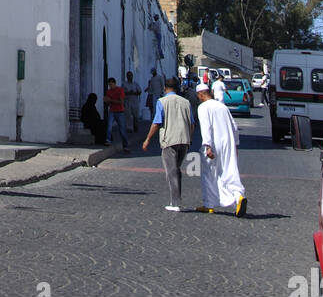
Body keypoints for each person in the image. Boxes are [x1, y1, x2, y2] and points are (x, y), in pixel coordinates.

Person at [142, 78, 193, 211]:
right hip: (184, 140)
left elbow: (157, 122)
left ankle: (175, 203)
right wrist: (189, 137)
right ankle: (177, 200)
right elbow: (192, 123)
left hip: (169, 140)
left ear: (165, 88)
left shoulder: (162, 102)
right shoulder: (186, 102)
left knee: (171, 171)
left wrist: (147, 139)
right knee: (176, 169)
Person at [195, 82, 246, 216]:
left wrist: (207, 146)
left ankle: (209, 204)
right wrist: (235, 144)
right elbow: (234, 126)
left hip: (213, 143)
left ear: (200, 94)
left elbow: (206, 127)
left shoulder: (203, 107)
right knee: (229, 170)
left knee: (209, 173)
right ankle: (238, 196)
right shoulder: (222, 106)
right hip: (228, 143)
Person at [104, 76, 130, 150]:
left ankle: (125, 146)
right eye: (109, 85)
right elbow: (108, 103)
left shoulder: (120, 90)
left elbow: (121, 102)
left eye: (111, 84)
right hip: (112, 111)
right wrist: (106, 101)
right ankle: (108, 140)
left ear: (115, 83)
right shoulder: (109, 92)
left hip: (120, 112)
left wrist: (111, 100)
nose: (110, 86)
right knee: (109, 126)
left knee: (122, 130)